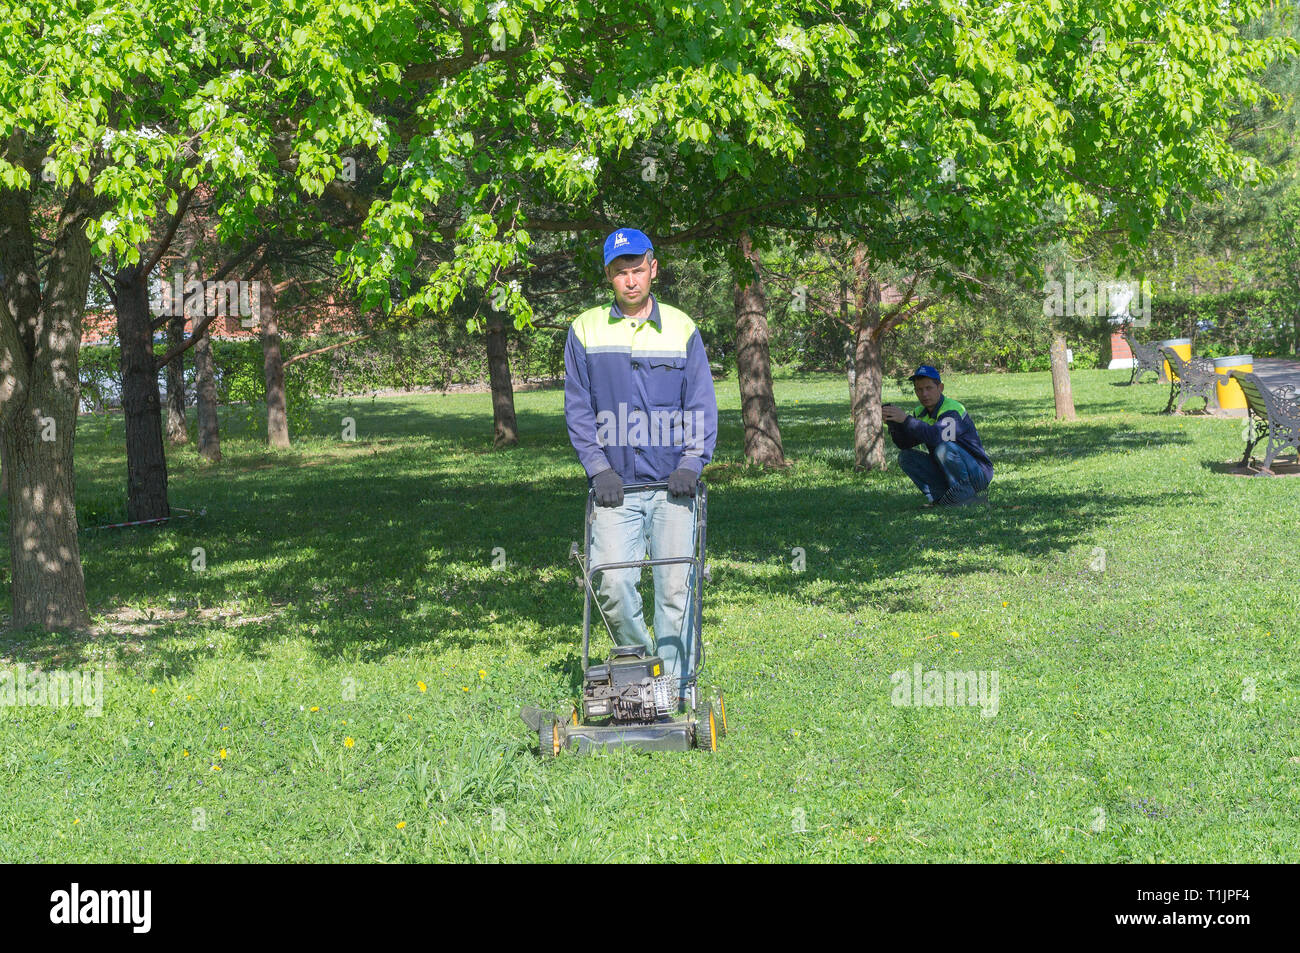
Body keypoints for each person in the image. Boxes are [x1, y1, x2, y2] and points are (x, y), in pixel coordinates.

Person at [563, 227, 719, 709]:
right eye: (619, 272)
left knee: (675, 587)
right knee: (609, 579)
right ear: (608, 277)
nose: (629, 280)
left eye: (636, 269)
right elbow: (578, 408)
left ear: (653, 267)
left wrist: (692, 462)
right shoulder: (584, 329)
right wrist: (597, 468)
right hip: (615, 489)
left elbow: (701, 404)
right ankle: (650, 670)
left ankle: (671, 693)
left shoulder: (682, 328)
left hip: (674, 485)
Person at [883, 365, 993, 506]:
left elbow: (937, 437)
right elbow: (904, 444)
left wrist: (905, 419)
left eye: (929, 388)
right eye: (919, 389)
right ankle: (940, 499)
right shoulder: (920, 412)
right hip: (948, 473)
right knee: (906, 457)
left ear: (940, 388)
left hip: (978, 474)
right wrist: (894, 424)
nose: (924, 394)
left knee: (943, 448)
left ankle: (966, 498)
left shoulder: (953, 409)